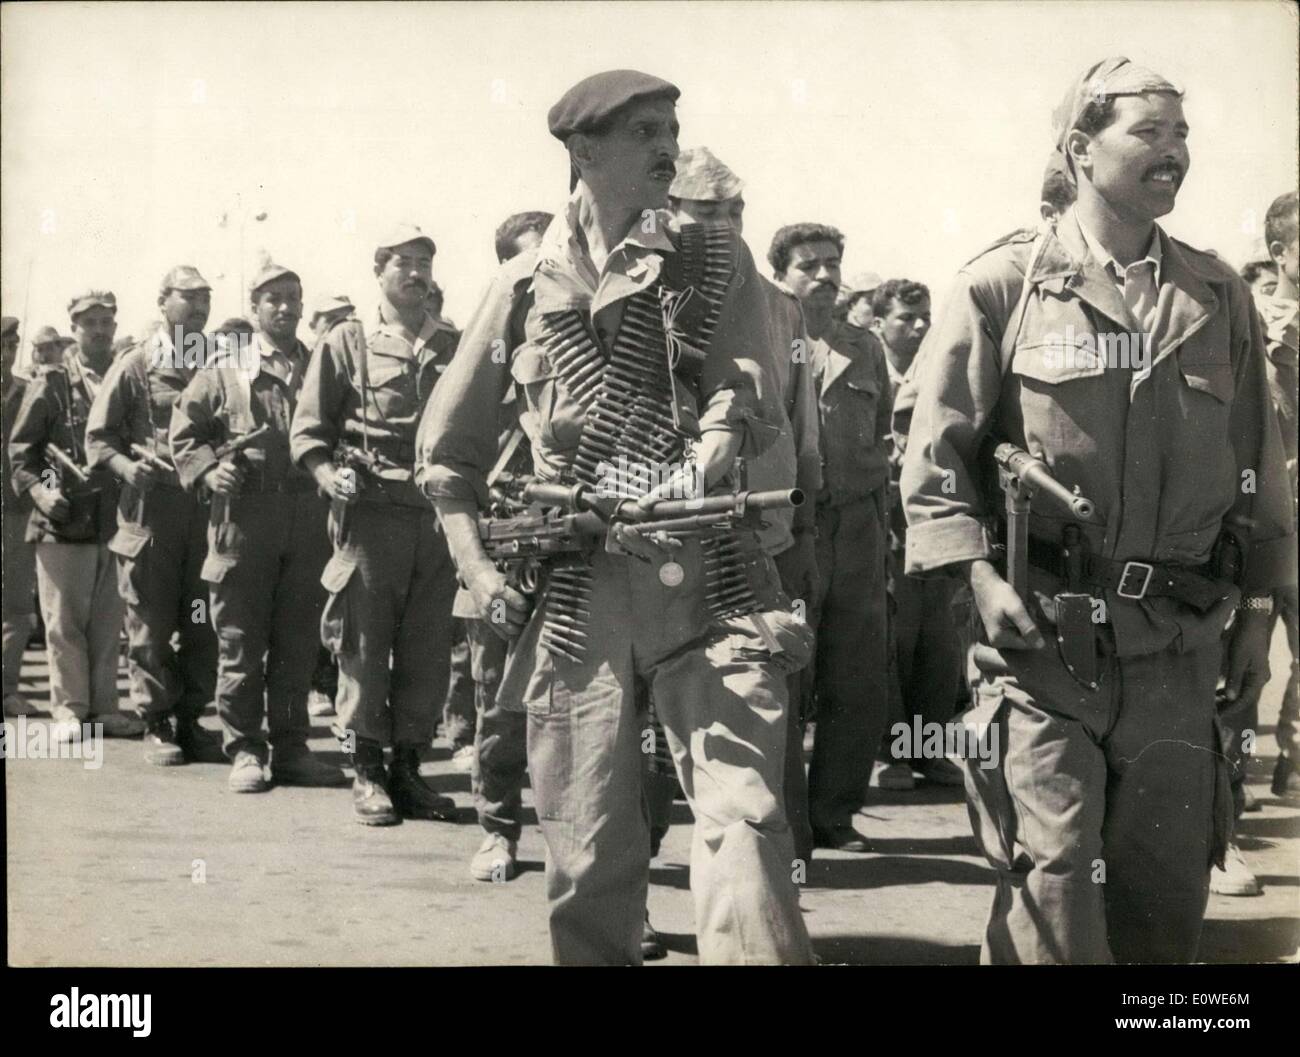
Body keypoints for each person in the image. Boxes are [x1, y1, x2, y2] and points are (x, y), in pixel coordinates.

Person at [901, 57, 1295, 963]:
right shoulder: (1002, 286)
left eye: (1182, 135)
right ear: (1081, 148)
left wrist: (1259, 610)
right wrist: (977, 577)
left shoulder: (1216, 294)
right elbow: (936, 460)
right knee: (1057, 880)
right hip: (1046, 641)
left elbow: (1256, 473)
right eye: (1148, 133)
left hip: (1179, 642)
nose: (1174, 154)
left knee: (1164, 890)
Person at [418, 69, 815, 965]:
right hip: (577, 597)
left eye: (673, 126)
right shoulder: (524, 288)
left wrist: (718, 436)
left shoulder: (715, 263)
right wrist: (481, 574)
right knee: (591, 849)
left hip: (711, 575)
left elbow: (748, 392)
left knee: (745, 824)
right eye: (644, 131)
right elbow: (448, 458)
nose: (668, 144)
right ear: (584, 151)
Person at [669, 145, 822, 867]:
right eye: (706, 213)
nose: (725, 225)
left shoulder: (779, 305)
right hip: (661, 539)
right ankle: (632, 894)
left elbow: (800, 425)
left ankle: (774, 888)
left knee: (760, 707)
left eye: (735, 212)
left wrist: (803, 528)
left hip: (758, 537)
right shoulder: (645, 296)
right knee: (645, 729)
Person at [290, 223, 460, 826]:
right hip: (370, 518)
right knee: (362, 644)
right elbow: (309, 431)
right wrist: (327, 474)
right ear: (379, 272)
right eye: (403, 263)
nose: (416, 274)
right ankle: (366, 771)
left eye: (424, 263)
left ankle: (409, 769)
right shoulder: (347, 342)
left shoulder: (454, 343)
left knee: (428, 649)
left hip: (438, 520)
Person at [169, 262, 346, 792]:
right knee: (241, 642)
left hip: (307, 521)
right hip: (243, 521)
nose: (286, 308)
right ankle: (245, 748)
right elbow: (185, 433)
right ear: (255, 306)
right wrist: (207, 468)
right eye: (274, 299)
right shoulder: (225, 367)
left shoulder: (320, 366)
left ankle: (291, 748)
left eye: (294, 298)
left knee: (297, 643)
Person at [769, 222, 892, 853]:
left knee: (857, 675)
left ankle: (835, 814)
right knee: (787, 670)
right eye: (808, 265)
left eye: (832, 263)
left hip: (859, 525)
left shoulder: (865, 347)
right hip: (793, 528)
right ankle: (786, 820)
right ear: (781, 274)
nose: (824, 275)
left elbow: (884, 435)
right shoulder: (767, 338)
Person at [86, 267, 222, 766]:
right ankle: (157, 721)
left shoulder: (220, 362)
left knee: (201, 621)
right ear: (164, 302)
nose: (200, 307)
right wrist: (127, 468)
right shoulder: (136, 363)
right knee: (150, 624)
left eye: (206, 298)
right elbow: (98, 439)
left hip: (204, 517)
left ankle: (191, 718)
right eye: (189, 298)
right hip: (151, 516)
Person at [458, 211, 554, 884]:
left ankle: (604, 867)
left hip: (581, 551)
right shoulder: (482, 357)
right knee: (499, 705)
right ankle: (496, 829)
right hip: (506, 548)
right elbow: (443, 466)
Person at [8, 301, 140, 741]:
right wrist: (44, 491)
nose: (100, 332)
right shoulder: (53, 381)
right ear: (74, 329)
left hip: (115, 519)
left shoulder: (127, 377)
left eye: (106, 323)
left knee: (107, 623)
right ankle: (68, 709)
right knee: (63, 624)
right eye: (90, 324)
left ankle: (106, 708)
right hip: (63, 522)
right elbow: (27, 450)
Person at [873, 279, 965, 792]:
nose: (919, 326)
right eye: (905, 318)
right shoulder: (871, 372)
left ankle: (929, 751)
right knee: (896, 642)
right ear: (879, 323)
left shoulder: (939, 369)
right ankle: (893, 753)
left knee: (939, 644)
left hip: (933, 522)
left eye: (924, 316)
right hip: (885, 527)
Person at [1258, 190, 1299, 803]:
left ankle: (1292, 766)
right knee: (1237, 672)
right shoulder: (1252, 327)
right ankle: (1222, 828)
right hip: (1258, 525)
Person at [2, 316, 40, 718]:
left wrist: (42, 488)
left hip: (16, 513)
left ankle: (6, 688)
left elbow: (45, 454)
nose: (5, 353)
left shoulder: (29, 394)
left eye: (10, 345)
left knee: (15, 605)